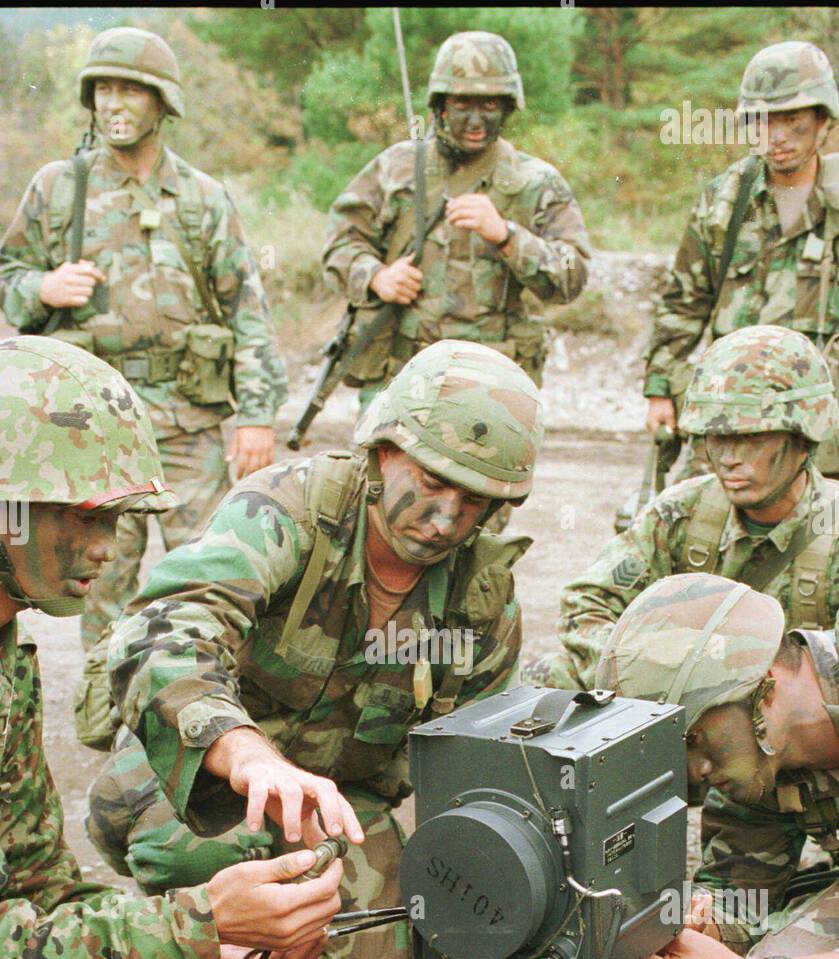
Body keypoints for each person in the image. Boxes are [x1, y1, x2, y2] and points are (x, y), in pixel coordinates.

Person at [83, 339, 543, 959]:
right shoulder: (289, 509)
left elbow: (480, 772)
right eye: (430, 480)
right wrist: (246, 758)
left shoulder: (481, 591)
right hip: (223, 773)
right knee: (156, 836)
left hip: (344, 805)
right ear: (384, 451)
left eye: (475, 500)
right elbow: (167, 626)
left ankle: (289, 932)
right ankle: (219, 952)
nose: (446, 517)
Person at [0, 337, 345, 959]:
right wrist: (191, 924)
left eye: (116, 520)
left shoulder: (9, 645)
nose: (104, 550)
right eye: (78, 516)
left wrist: (212, 951)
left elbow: (36, 880)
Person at [0, 26, 287, 650]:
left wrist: (256, 417)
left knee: (218, 572)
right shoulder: (59, 187)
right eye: (102, 88)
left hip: (186, 423)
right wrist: (42, 287)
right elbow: (9, 275)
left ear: (163, 102)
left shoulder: (203, 199)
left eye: (130, 88)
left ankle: (208, 706)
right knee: (98, 583)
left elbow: (248, 312)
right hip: (89, 430)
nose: (113, 102)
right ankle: (109, 726)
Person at [597, 571, 839, 959]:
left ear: (762, 690)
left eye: (694, 739)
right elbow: (741, 892)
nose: (696, 771)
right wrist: (696, 926)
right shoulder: (758, 765)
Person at [525, 325, 839, 690]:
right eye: (717, 438)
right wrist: (653, 676)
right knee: (546, 679)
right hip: (676, 704)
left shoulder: (830, 532)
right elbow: (588, 605)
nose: (728, 459)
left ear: (805, 435)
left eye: (752, 438)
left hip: (785, 720)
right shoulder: (683, 511)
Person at [322, 29, 590, 408]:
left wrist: (508, 237)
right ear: (441, 106)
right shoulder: (397, 168)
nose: (477, 120)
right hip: (402, 380)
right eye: (463, 104)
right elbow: (339, 245)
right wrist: (378, 277)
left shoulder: (536, 183)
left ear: (508, 107)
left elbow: (573, 275)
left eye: (491, 106)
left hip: (494, 391)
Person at [643, 40, 839, 480]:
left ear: (823, 120)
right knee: (704, 534)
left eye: (793, 120)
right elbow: (683, 301)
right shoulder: (726, 199)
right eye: (763, 121)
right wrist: (659, 390)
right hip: (730, 415)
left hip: (821, 427)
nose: (778, 137)